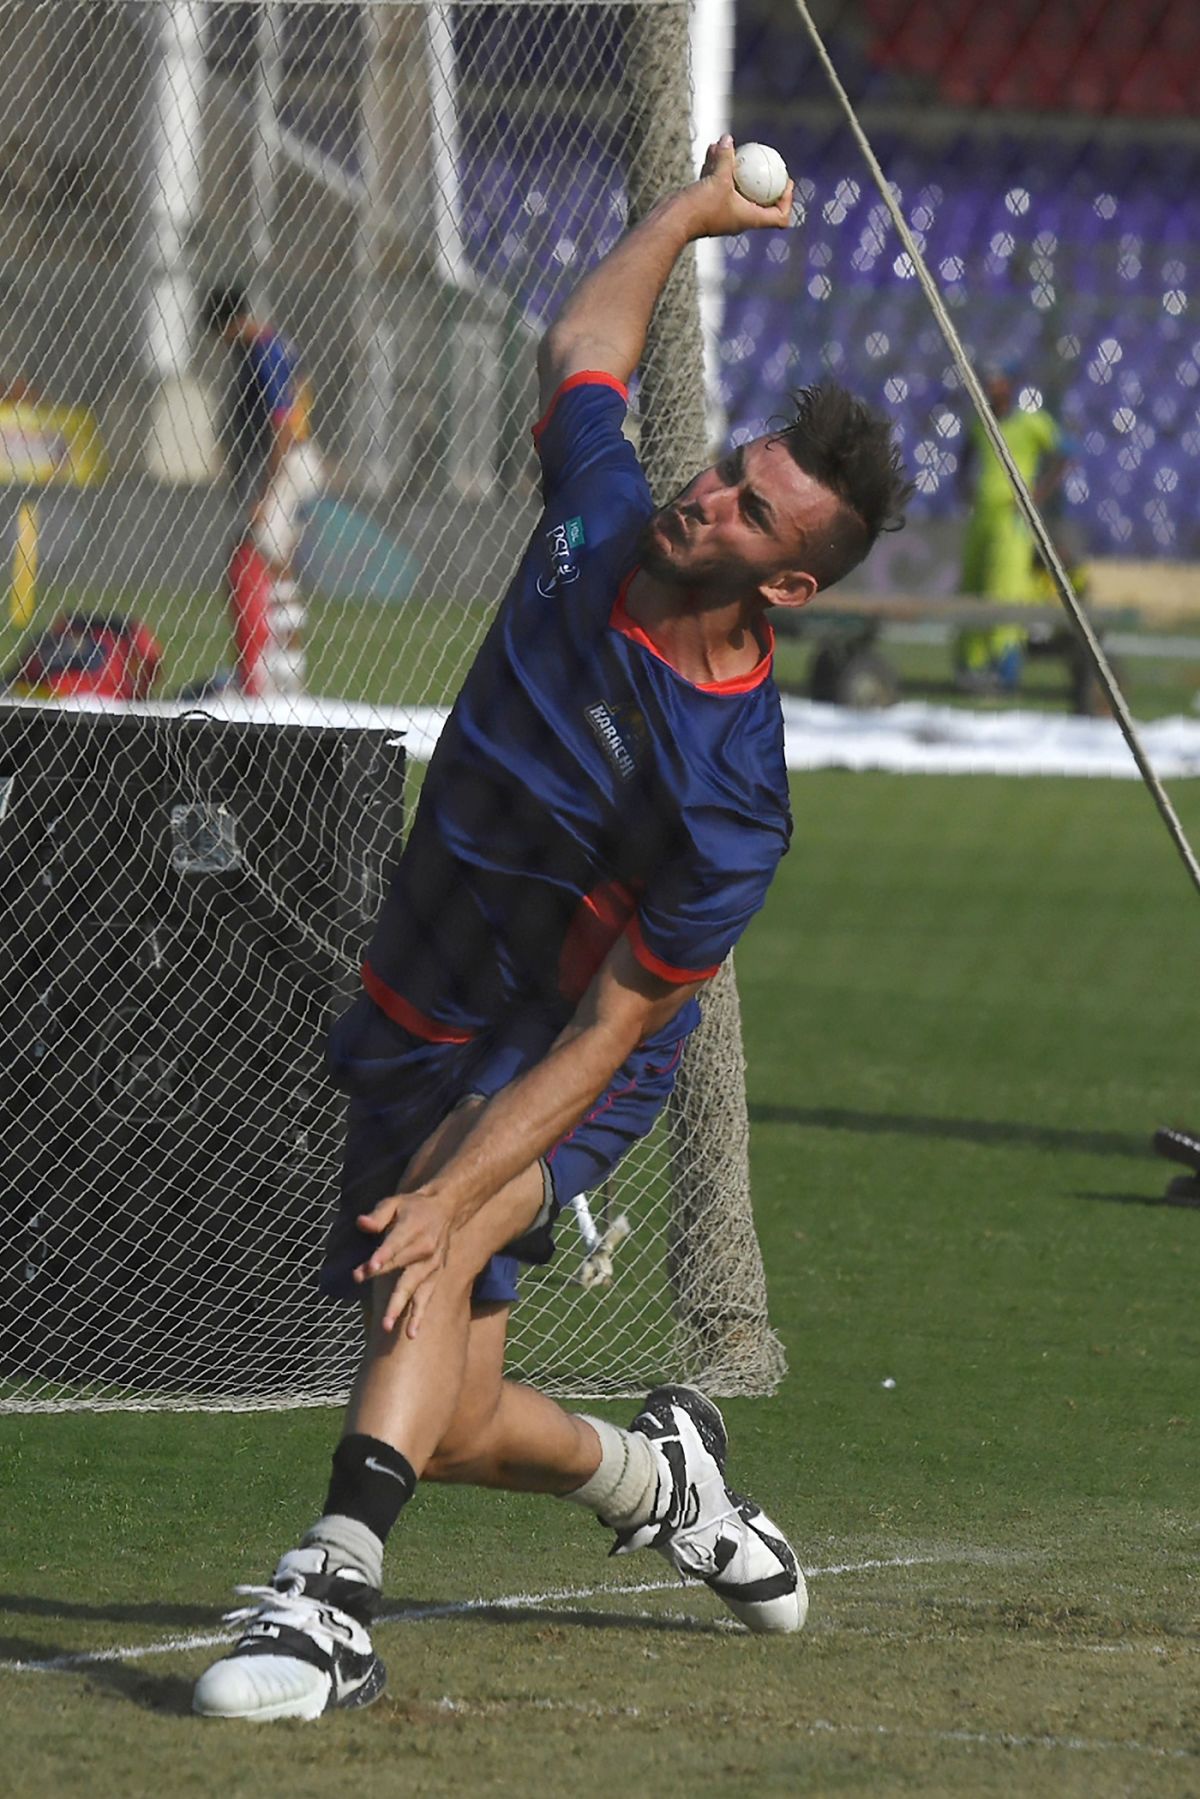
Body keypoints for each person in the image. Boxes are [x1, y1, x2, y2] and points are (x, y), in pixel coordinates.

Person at [193, 136, 911, 1723]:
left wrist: (457, 1188)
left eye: (747, 511)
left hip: (559, 1046)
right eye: (728, 464)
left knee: (421, 1253)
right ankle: (658, 1475)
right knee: (450, 1414)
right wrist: (697, 213)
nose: (708, 491)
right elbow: (584, 349)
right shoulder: (607, 522)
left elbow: (609, 1034)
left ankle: (330, 1591)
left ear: (785, 586)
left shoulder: (729, 796)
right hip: (422, 988)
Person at [201, 284, 323, 697]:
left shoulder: (262, 352)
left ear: (230, 325)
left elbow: (282, 425)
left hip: (286, 464)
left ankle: (276, 679)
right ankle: (283, 675)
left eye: (220, 335)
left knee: (258, 560)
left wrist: (266, 493)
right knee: (276, 563)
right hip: (290, 462)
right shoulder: (270, 344)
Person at [955, 362, 1067, 693]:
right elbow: (966, 456)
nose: (991, 387)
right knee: (973, 588)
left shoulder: (1033, 423)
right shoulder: (982, 421)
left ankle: (1004, 670)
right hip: (982, 517)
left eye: (997, 381)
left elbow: (1066, 454)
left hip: (1012, 519)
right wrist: (964, 487)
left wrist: (1037, 494)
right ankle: (971, 667)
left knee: (1003, 591)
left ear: (1010, 386)